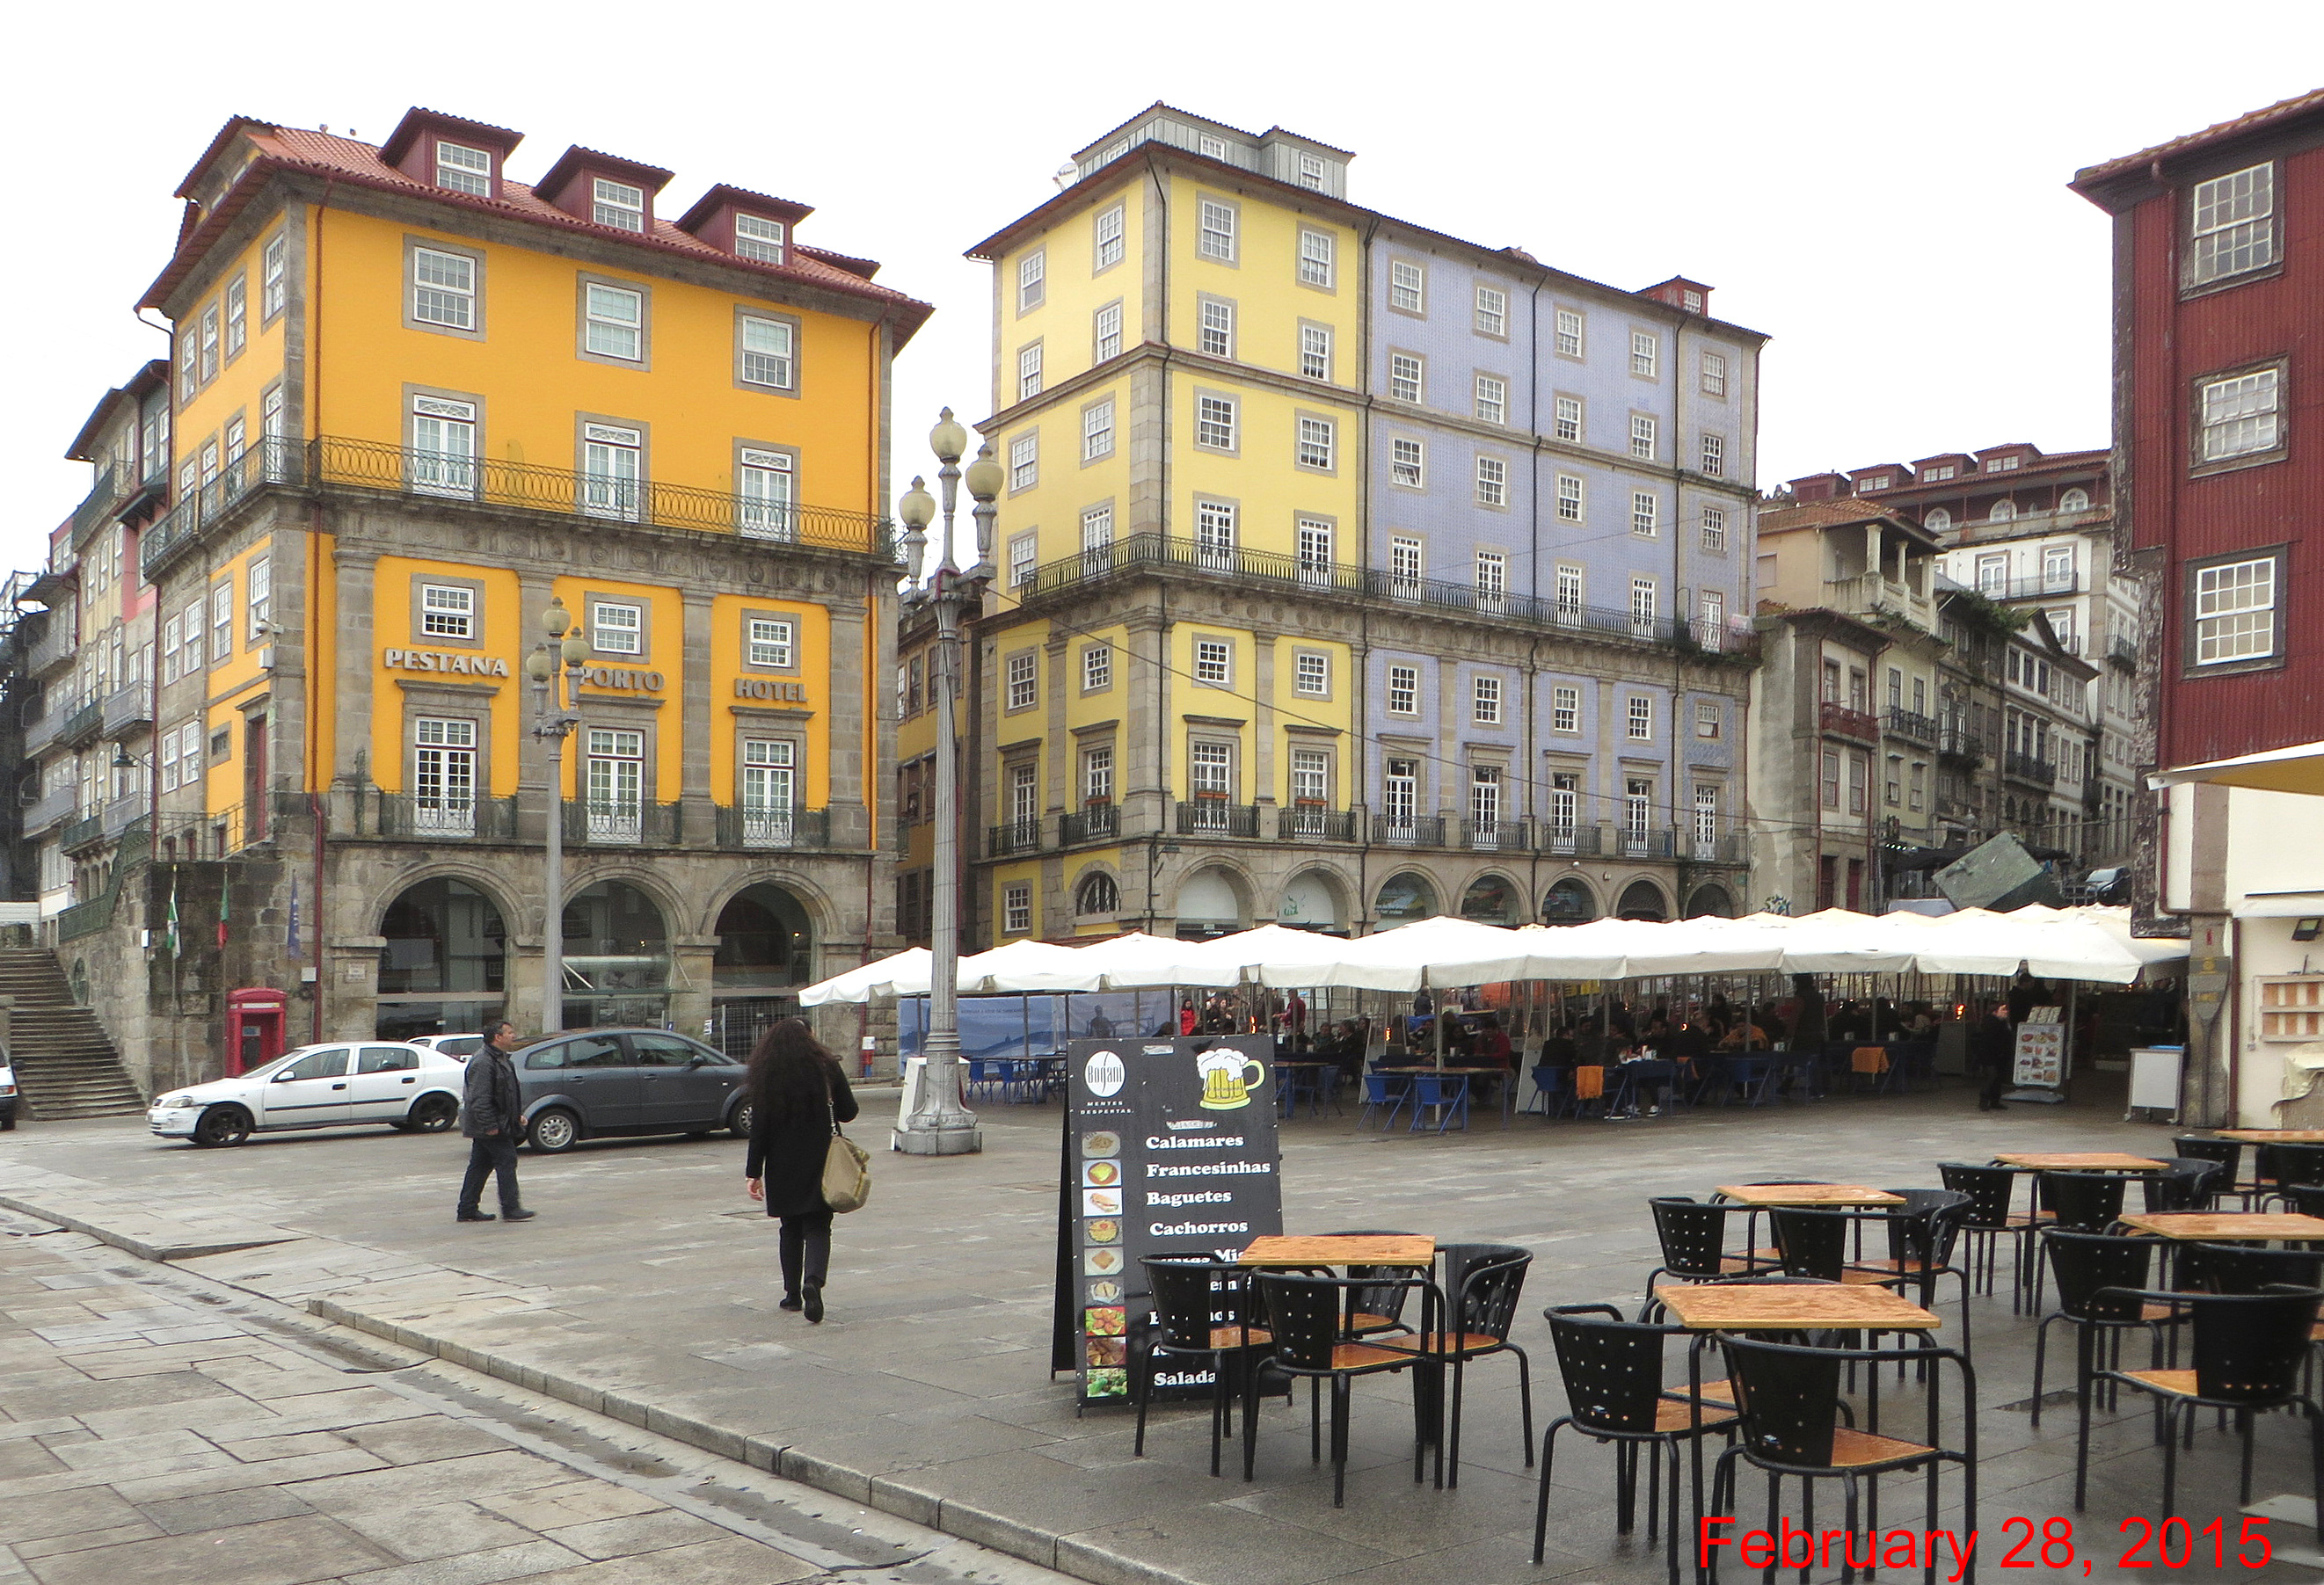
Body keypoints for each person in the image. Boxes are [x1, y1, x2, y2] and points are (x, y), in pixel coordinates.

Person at [744, 1018, 859, 1323]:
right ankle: (814, 1282)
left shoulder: (766, 1072)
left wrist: (753, 1172)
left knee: (790, 1228)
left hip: (781, 1163)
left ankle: (792, 1295)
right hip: (821, 1159)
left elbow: (760, 1128)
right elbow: (849, 1111)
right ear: (810, 1038)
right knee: (818, 1226)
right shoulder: (826, 1067)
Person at [456, 1020, 535, 1225]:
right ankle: (511, 1208)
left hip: (498, 1122)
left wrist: (516, 1115)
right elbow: (479, 1099)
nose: (513, 1035)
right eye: (509, 1032)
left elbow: (506, 1093)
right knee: (507, 1161)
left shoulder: (502, 1059)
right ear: (497, 1037)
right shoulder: (483, 1062)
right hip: (490, 1125)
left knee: (480, 1165)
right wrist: (490, 1126)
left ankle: (467, 1209)